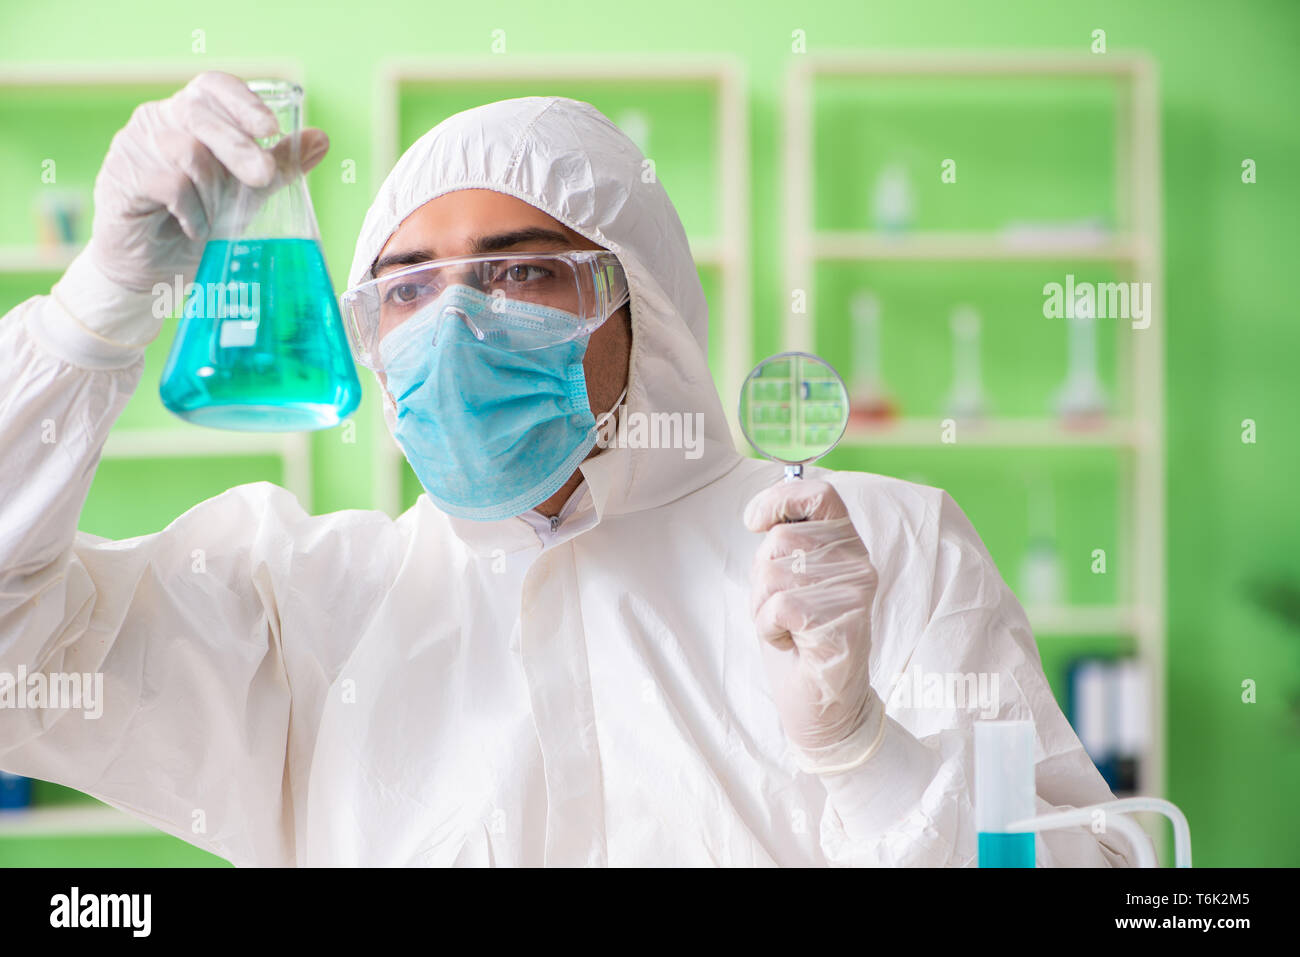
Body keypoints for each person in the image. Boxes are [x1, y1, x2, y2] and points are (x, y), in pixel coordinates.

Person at [0, 72, 1134, 866]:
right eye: (405, 290)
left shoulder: (868, 554)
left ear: (644, 307)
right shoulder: (300, 603)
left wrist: (863, 751)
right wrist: (97, 306)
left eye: (524, 274)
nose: (451, 328)